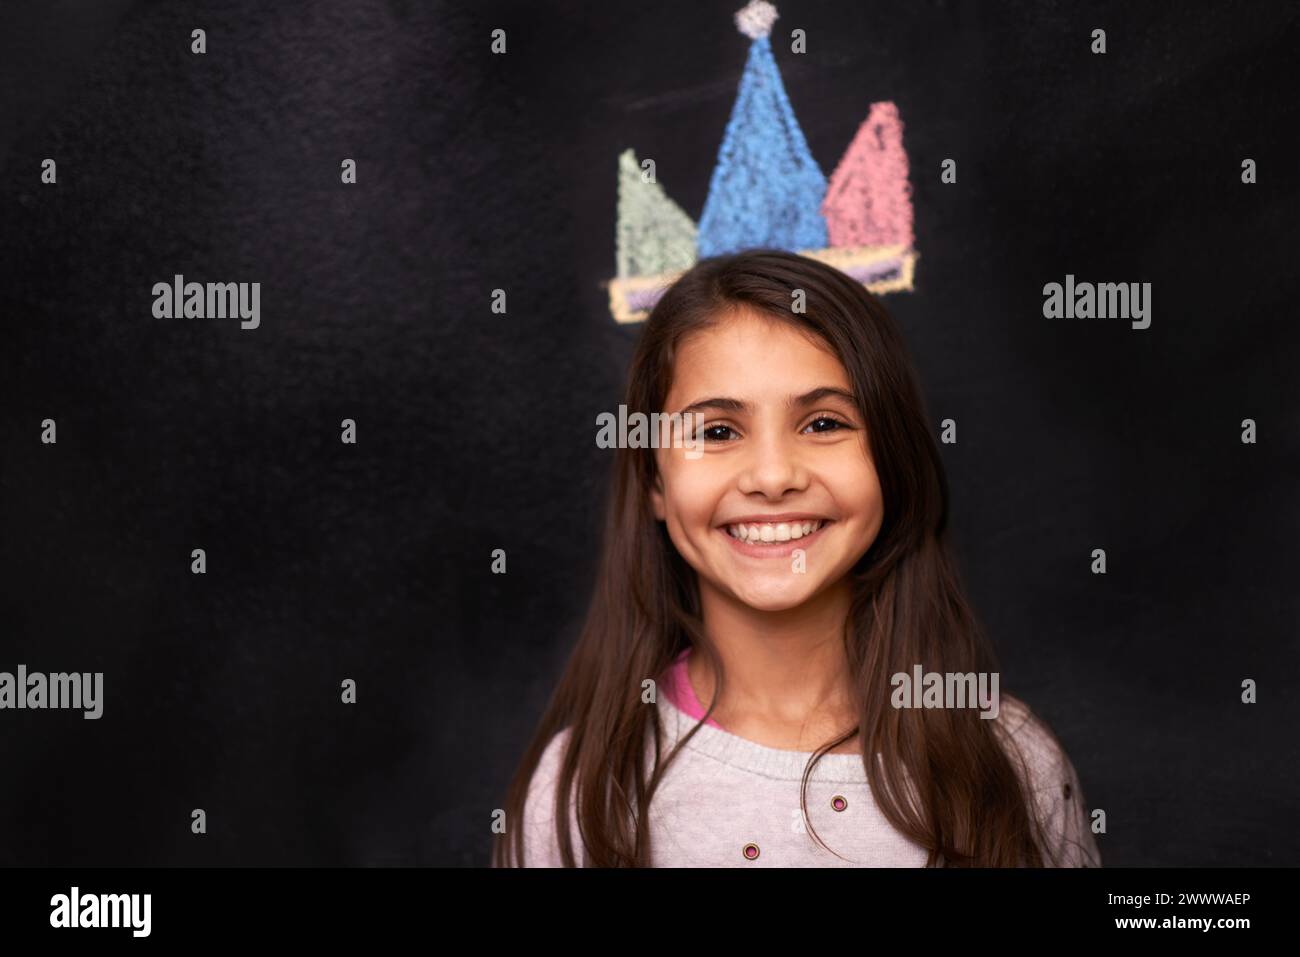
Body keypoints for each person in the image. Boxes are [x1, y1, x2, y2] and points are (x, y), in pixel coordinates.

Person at [493, 248, 1101, 867]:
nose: (773, 475)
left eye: (823, 424)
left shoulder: (1008, 760)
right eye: (718, 432)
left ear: (892, 461)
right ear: (654, 481)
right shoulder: (580, 790)